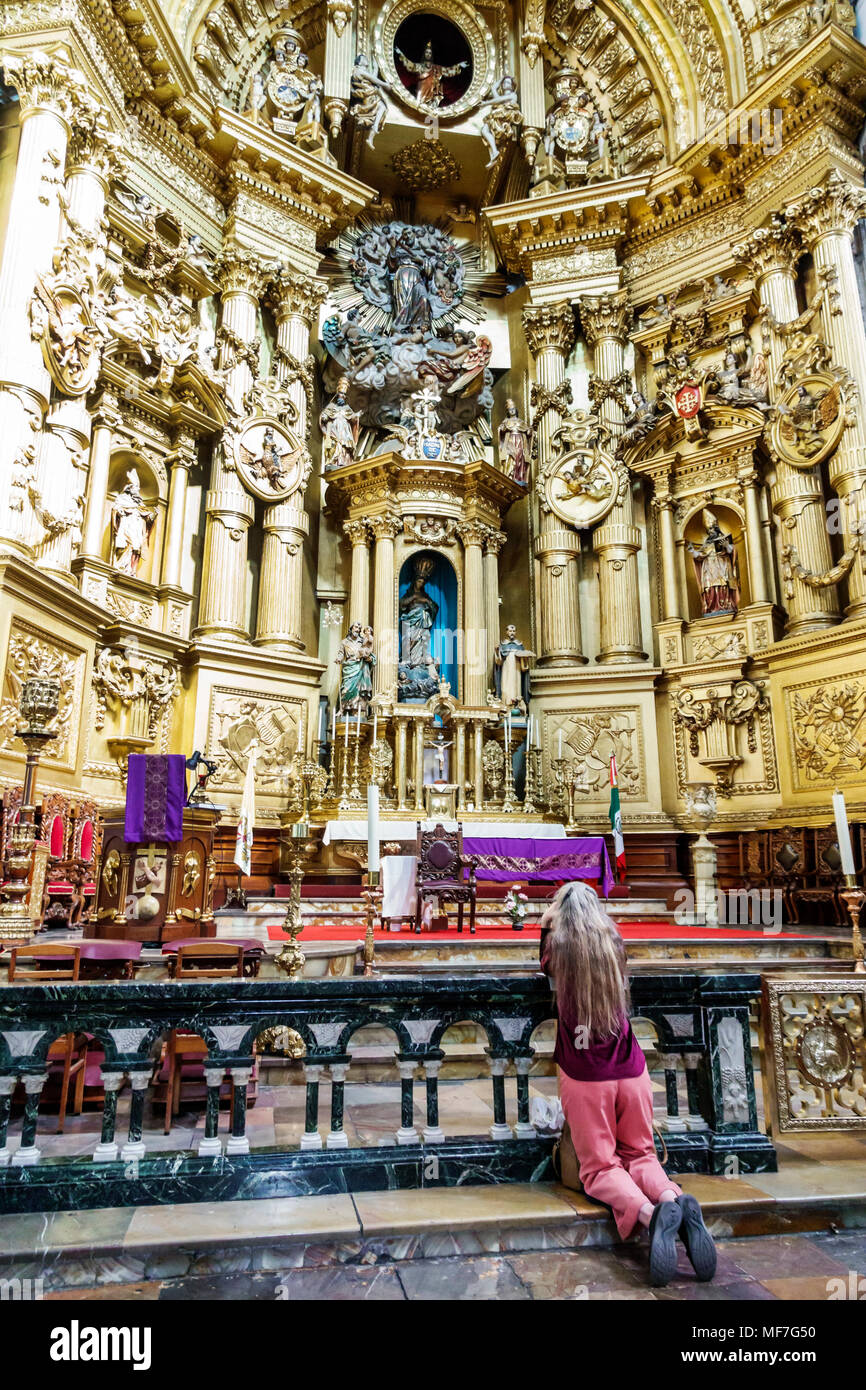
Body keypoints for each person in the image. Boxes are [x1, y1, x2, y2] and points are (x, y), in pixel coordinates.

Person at [540, 881, 717, 1287]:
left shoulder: (560, 949)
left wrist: (547, 924)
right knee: (641, 1154)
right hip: (633, 1071)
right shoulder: (614, 943)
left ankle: (651, 1216)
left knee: (600, 1167)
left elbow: (543, 961)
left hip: (587, 1076)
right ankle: (674, 1199)